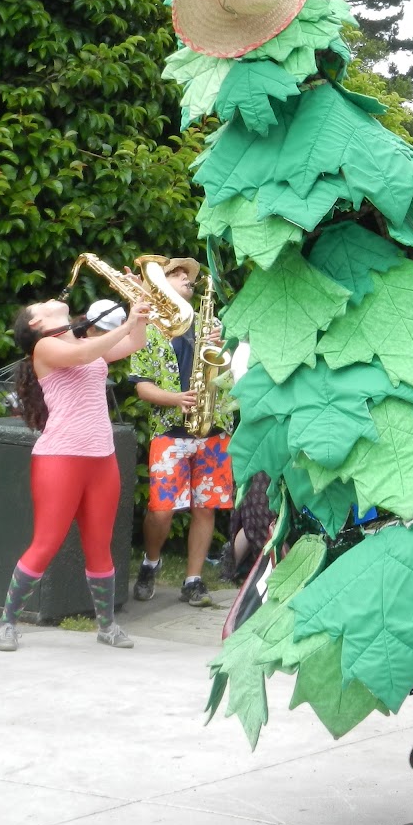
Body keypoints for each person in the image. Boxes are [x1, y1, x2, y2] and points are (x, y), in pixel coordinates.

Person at [0, 291, 151, 651]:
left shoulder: (81, 340)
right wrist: (126, 322)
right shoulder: (45, 348)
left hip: (101, 457)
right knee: (46, 544)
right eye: (42, 304)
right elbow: (83, 354)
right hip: (60, 457)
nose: (53, 298)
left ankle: (107, 627)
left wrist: (139, 314)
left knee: (99, 547)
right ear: (36, 323)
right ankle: (7, 623)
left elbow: (134, 343)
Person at [130, 257, 236, 608]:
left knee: (206, 508)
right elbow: (142, 387)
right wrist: (176, 399)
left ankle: (193, 581)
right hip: (171, 431)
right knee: (161, 510)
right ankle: (151, 562)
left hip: (212, 429)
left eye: (188, 277)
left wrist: (225, 346)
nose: (187, 280)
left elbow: (234, 373)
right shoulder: (148, 329)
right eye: (176, 276)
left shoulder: (211, 325)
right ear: (161, 287)